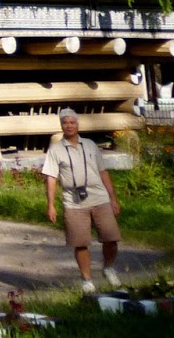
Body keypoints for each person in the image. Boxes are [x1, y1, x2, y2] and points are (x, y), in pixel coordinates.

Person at [43, 108, 123, 293]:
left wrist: (113, 198)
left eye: (72, 122)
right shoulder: (56, 150)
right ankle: (87, 280)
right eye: (65, 123)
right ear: (61, 126)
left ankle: (108, 268)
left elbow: (103, 171)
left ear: (78, 125)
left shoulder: (90, 145)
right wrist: (51, 205)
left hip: (99, 197)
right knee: (80, 242)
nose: (69, 126)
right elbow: (51, 178)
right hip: (73, 201)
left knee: (111, 238)